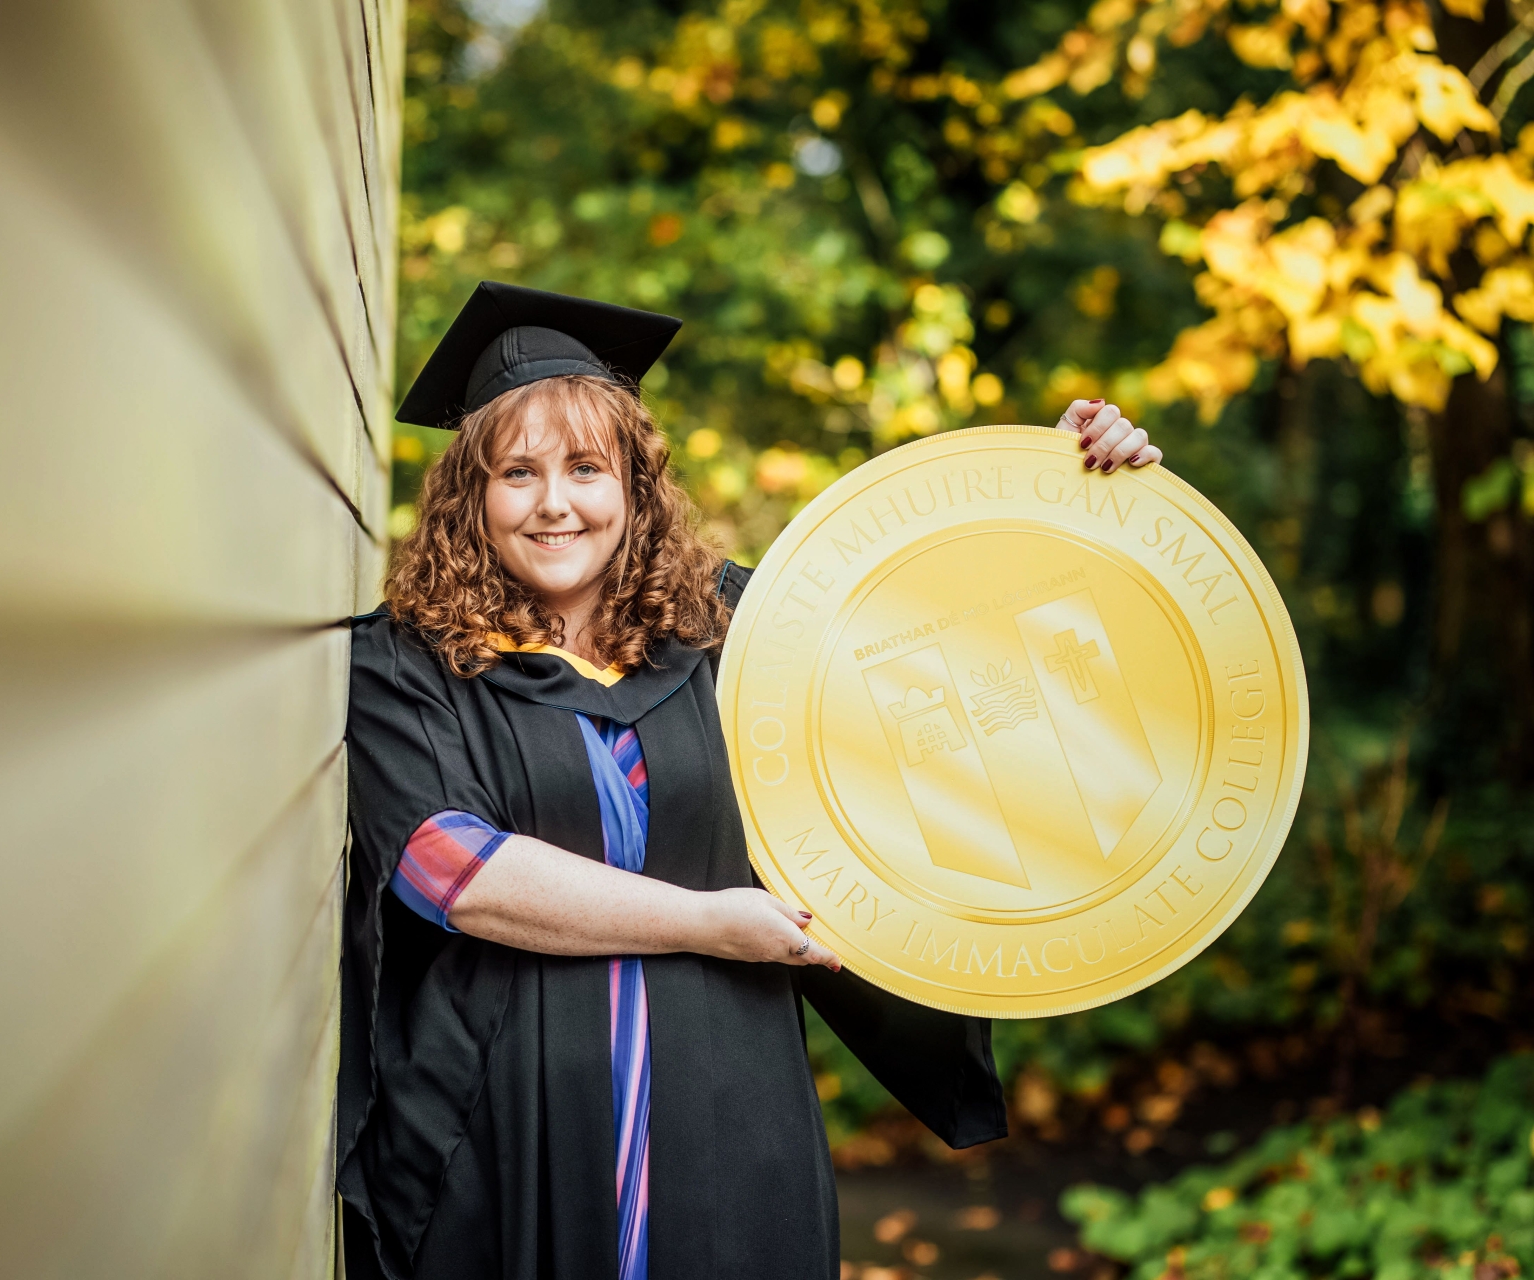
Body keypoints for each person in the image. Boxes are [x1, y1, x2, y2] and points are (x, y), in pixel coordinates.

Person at [338, 282, 1162, 1280]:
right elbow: (454, 868)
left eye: (587, 466)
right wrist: (710, 922)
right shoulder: (403, 660)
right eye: (517, 471)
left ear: (635, 483)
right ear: (471, 496)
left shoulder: (741, 625)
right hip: (501, 1116)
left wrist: (1069, 489)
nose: (555, 502)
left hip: (728, 1097)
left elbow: (959, 665)